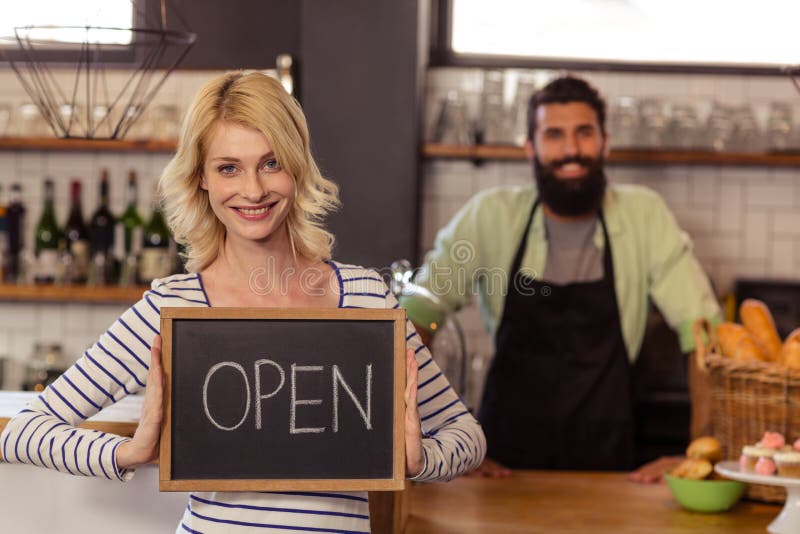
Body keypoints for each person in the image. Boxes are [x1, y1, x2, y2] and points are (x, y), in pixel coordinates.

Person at [0, 71, 485, 532]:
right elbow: (19, 433)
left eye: (270, 163)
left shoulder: (363, 299)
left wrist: (421, 461)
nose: (253, 190)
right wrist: (127, 453)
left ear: (296, 167)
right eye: (228, 168)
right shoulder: (175, 307)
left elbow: (467, 436)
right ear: (203, 178)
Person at [403, 75, 720, 479]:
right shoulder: (490, 215)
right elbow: (419, 316)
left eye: (584, 133)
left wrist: (699, 455)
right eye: (554, 134)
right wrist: (436, 439)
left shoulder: (645, 216)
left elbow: (703, 335)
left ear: (605, 141)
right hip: (500, 470)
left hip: (609, 471)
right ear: (530, 147)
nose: (571, 150)